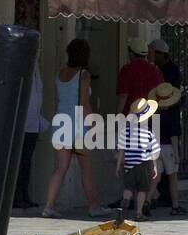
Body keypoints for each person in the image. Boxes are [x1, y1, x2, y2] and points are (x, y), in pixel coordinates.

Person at [41, 38, 108, 219]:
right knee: (86, 168)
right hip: (78, 126)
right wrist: (94, 126)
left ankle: (49, 206)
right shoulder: (83, 75)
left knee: (61, 167)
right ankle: (94, 206)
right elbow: (85, 103)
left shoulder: (60, 73)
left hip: (61, 123)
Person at [148, 39, 186, 216]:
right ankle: (174, 205)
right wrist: (177, 153)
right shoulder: (169, 114)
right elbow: (174, 133)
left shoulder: (155, 114)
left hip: (156, 143)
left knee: (157, 175)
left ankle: (148, 200)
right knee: (171, 175)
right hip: (167, 145)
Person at [116, 98, 161, 221]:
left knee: (129, 187)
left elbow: (121, 150)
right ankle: (138, 213)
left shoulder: (125, 132)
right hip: (143, 164)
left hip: (129, 164)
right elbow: (153, 151)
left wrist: (118, 165)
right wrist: (155, 167)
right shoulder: (148, 132)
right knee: (142, 189)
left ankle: (125, 202)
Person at [13, 60, 47, 209]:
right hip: (21, 123)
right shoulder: (21, 65)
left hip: (33, 123)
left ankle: (24, 195)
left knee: (26, 162)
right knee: (19, 162)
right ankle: (16, 196)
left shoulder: (36, 68)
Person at [115, 37, 163, 117]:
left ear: (131, 53)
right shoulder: (156, 71)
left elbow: (123, 96)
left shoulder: (127, 70)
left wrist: (118, 116)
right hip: (151, 116)